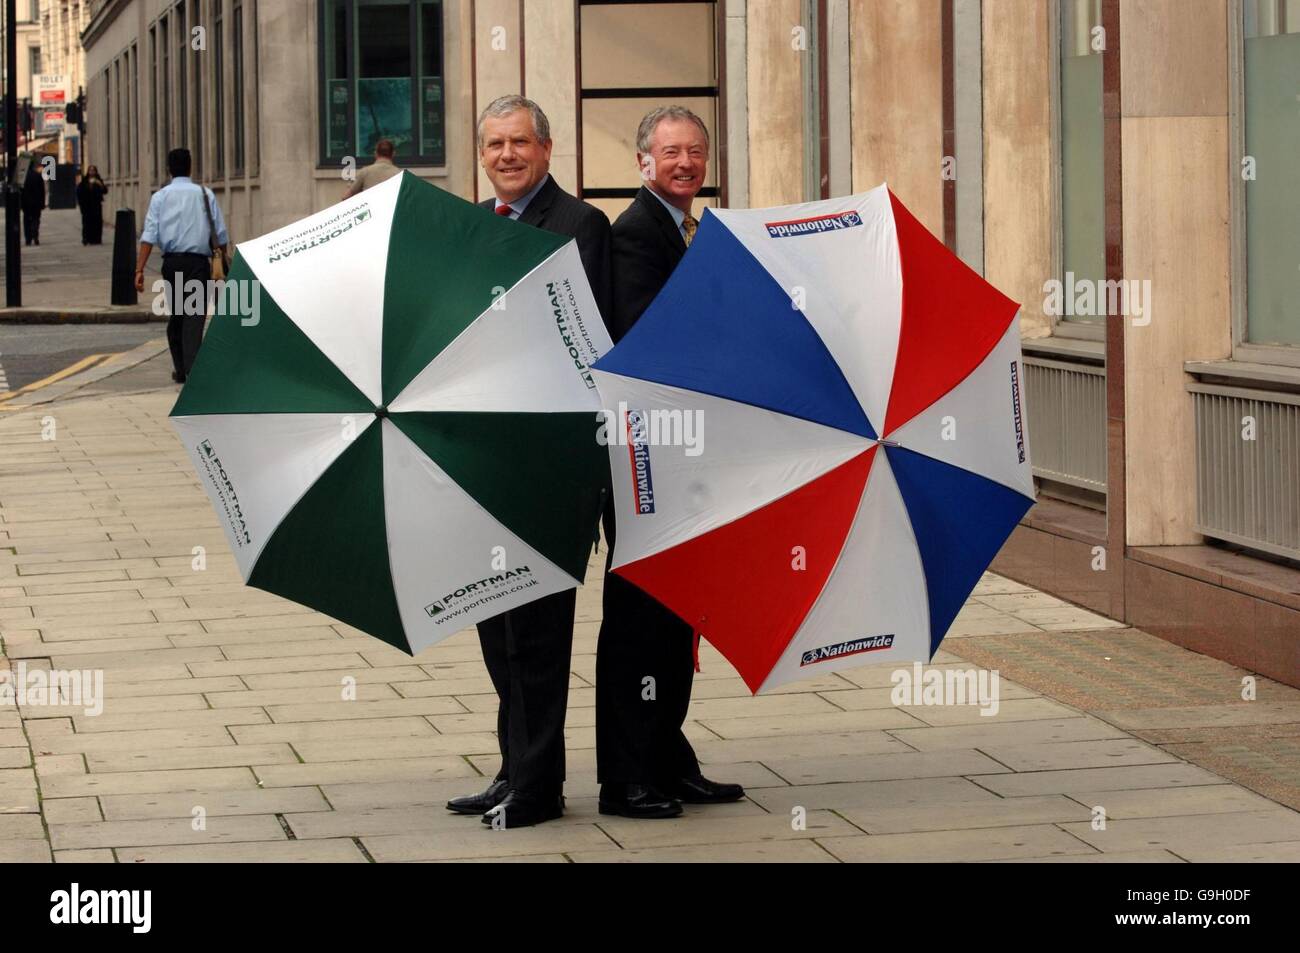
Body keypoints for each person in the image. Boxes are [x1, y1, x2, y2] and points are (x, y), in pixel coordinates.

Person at [444, 95, 612, 829]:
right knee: (495, 630)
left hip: (549, 466)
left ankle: (539, 790)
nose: (506, 155)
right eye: (494, 145)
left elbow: (598, 342)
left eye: (519, 143)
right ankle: (515, 765)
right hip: (484, 467)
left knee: (538, 637)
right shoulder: (475, 226)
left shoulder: (582, 226)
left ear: (547, 149)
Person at [595, 105, 744, 818]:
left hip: (683, 457)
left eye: (695, 152)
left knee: (677, 614)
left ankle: (667, 755)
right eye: (670, 152)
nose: (684, 163)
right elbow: (644, 336)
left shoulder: (688, 229)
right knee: (637, 620)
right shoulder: (635, 234)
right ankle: (626, 776)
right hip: (643, 464)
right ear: (644, 162)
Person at [134, 148, 230, 384]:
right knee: (194, 316)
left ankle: (181, 367)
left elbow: (149, 235)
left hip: (172, 263)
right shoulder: (205, 194)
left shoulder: (160, 197)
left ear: (169, 169)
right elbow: (220, 235)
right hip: (197, 263)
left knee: (177, 315)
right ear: (190, 167)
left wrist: (139, 270)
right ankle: (192, 369)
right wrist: (222, 265)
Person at [76, 165, 109, 245]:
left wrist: (100, 184)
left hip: (96, 205)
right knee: (86, 223)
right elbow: (79, 192)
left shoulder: (98, 180)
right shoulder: (84, 181)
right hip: (86, 205)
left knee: (97, 222)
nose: (92, 172)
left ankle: (96, 239)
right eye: (90, 170)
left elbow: (105, 191)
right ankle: (86, 238)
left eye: (93, 170)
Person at [21, 161, 45, 246]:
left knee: (26, 221)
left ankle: (28, 239)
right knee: (36, 219)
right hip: (36, 203)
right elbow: (42, 191)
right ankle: (35, 236)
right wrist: (42, 203)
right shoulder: (38, 176)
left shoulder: (22, 177)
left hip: (26, 203)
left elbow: (21, 191)